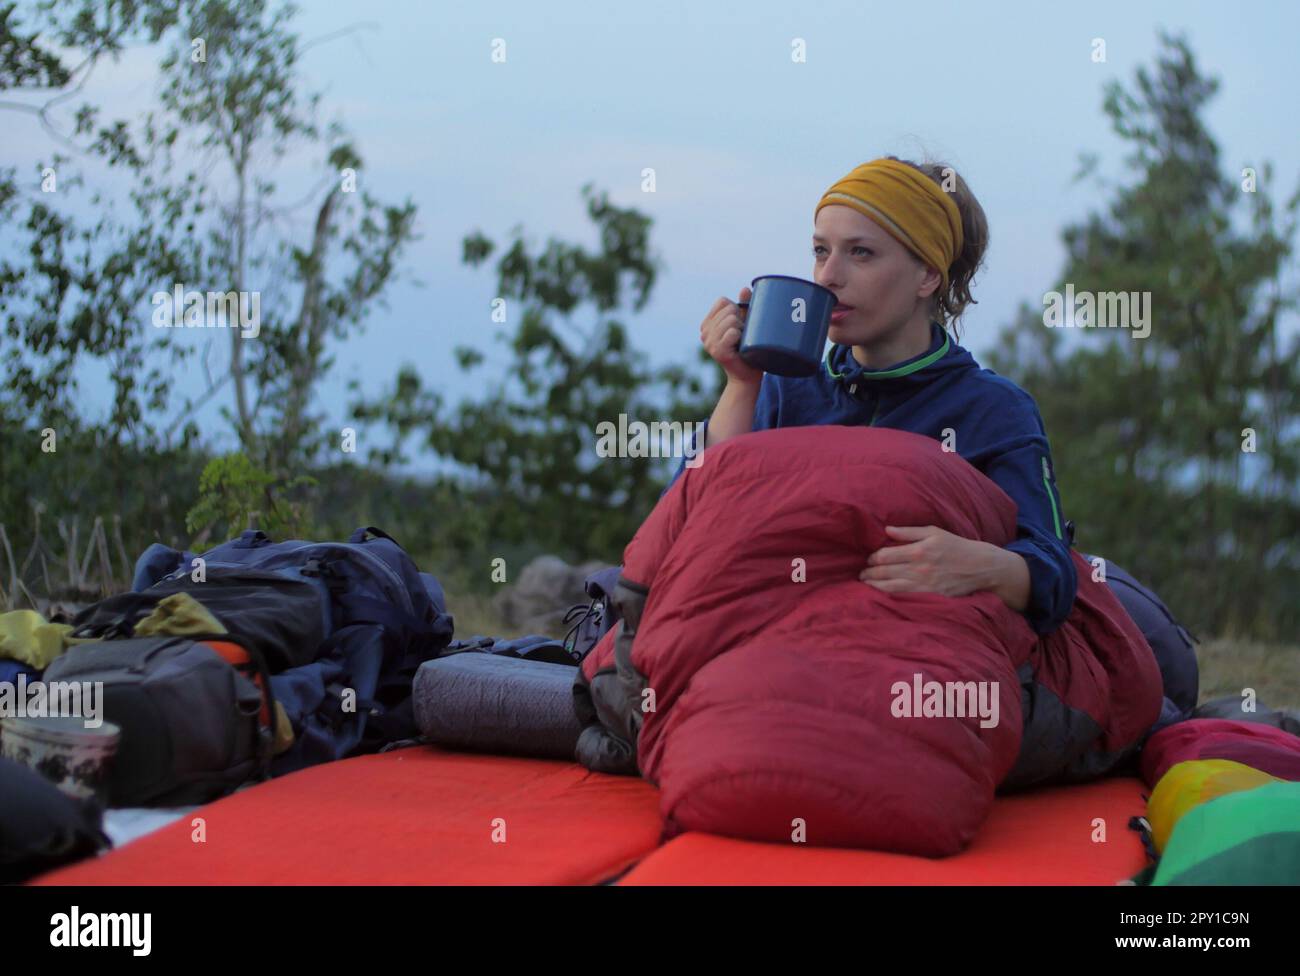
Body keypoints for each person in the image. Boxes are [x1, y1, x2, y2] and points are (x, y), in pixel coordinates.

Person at [670, 156, 1077, 634]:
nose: (828, 276)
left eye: (860, 253)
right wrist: (741, 384)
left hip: (909, 661)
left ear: (927, 275)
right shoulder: (784, 389)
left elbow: (1055, 571)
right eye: (821, 251)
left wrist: (983, 566)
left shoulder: (992, 409)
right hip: (770, 637)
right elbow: (680, 532)